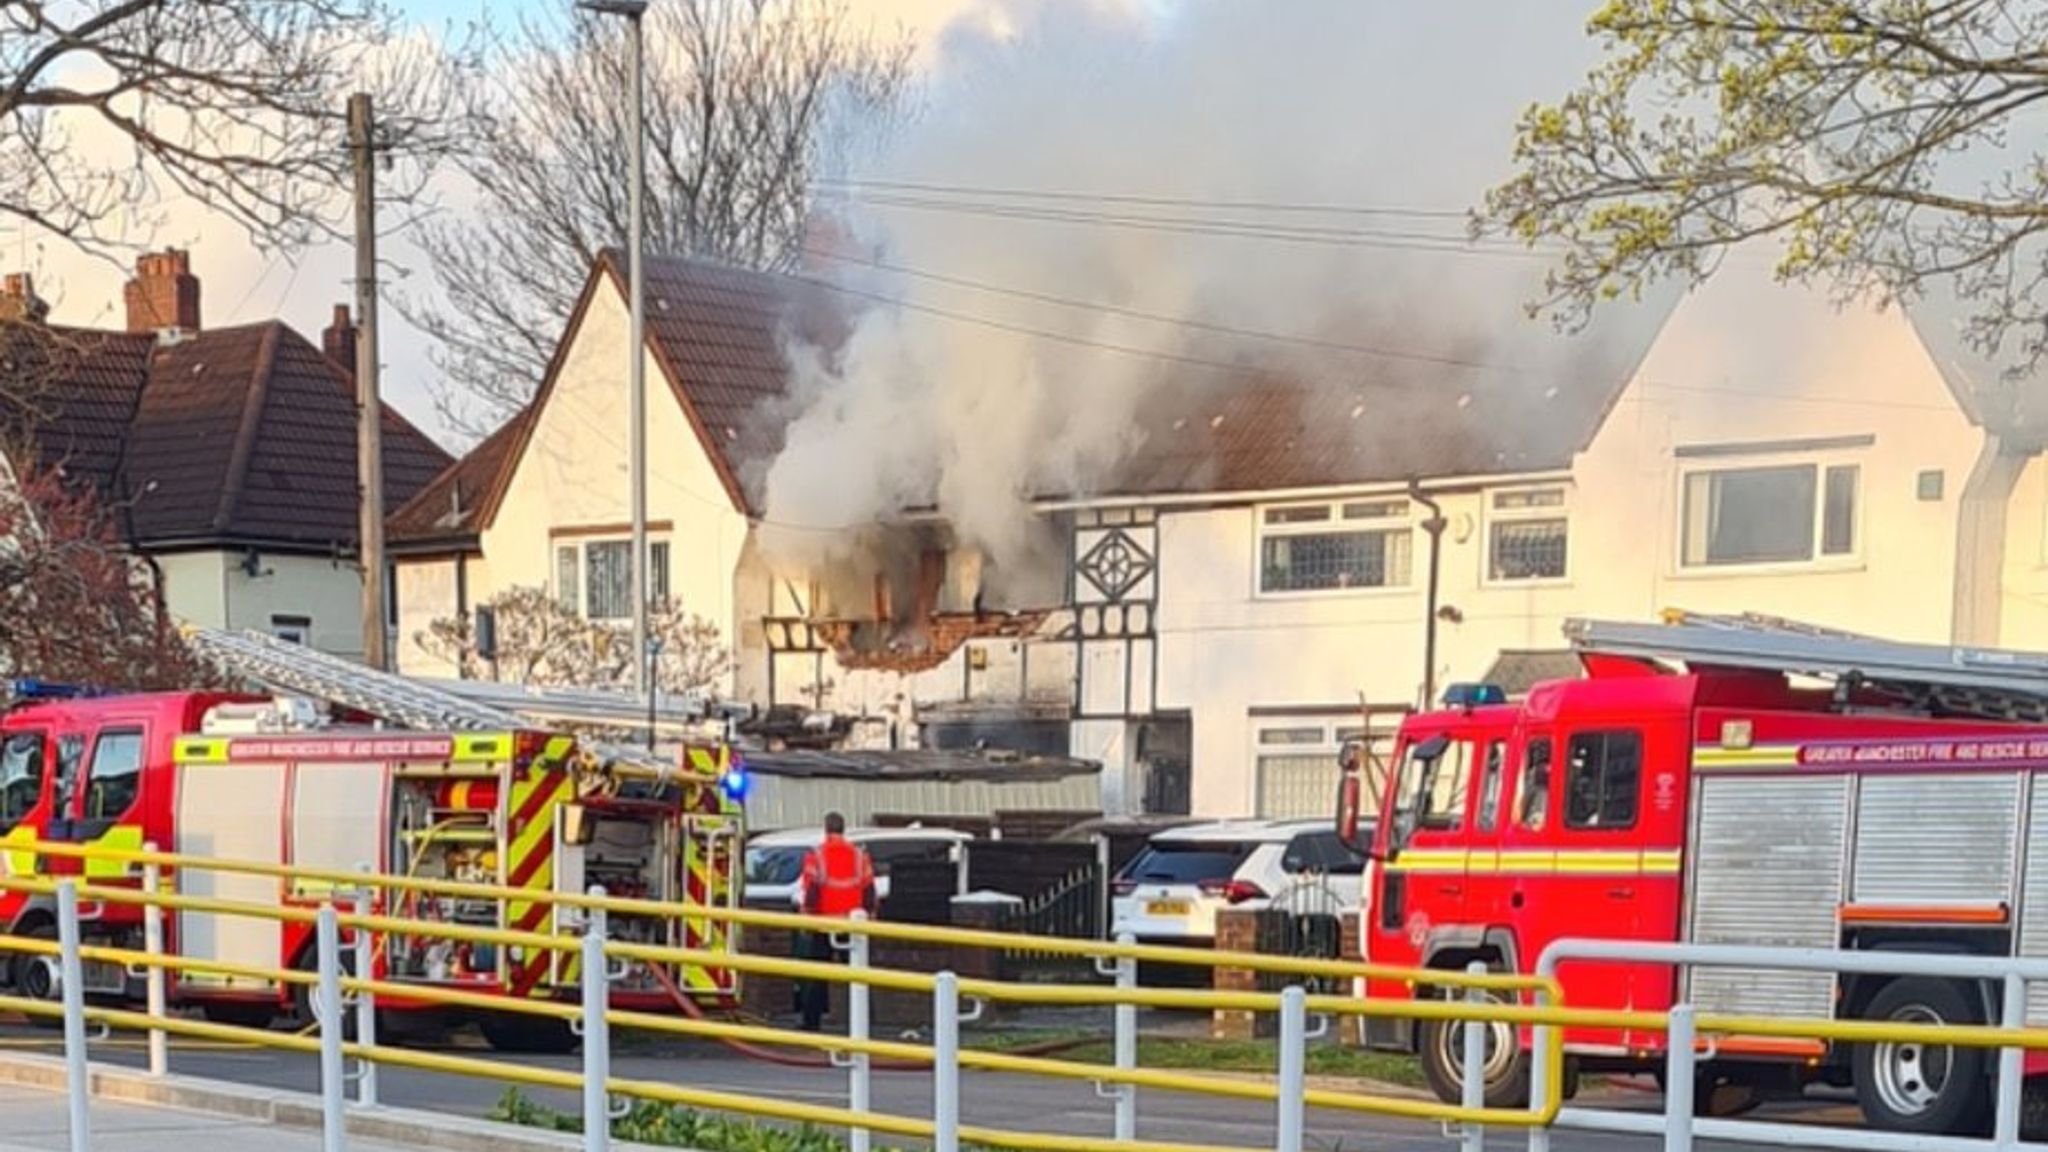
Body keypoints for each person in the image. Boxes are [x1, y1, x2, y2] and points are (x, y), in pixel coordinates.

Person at [795, 811, 876, 1032]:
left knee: (818, 975)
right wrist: (870, 914)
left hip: (824, 923)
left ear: (826, 829)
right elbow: (869, 890)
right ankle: (866, 1021)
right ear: (843, 829)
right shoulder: (859, 856)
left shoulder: (817, 855)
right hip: (853, 924)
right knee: (858, 976)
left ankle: (812, 1022)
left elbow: (812, 890)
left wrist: (807, 915)